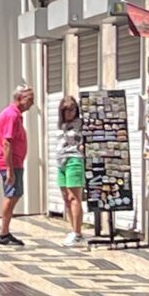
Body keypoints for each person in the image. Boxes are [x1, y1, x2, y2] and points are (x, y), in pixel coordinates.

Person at [0, 84, 34, 246]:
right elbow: (7, 143)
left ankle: (5, 232)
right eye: (29, 100)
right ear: (19, 98)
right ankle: (3, 233)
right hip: (11, 163)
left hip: (15, 162)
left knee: (15, 194)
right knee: (11, 195)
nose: (32, 103)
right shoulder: (12, 115)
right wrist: (10, 169)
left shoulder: (15, 115)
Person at [56, 95, 87, 246]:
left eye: (72, 109)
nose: (70, 112)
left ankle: (78, 232)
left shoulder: (80, 124)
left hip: (74, 160)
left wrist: (83, 147)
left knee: (74, 197)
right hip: (61, 161)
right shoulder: (61, 125)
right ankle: (73, 229)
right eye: (66, 109)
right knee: (66, 198)